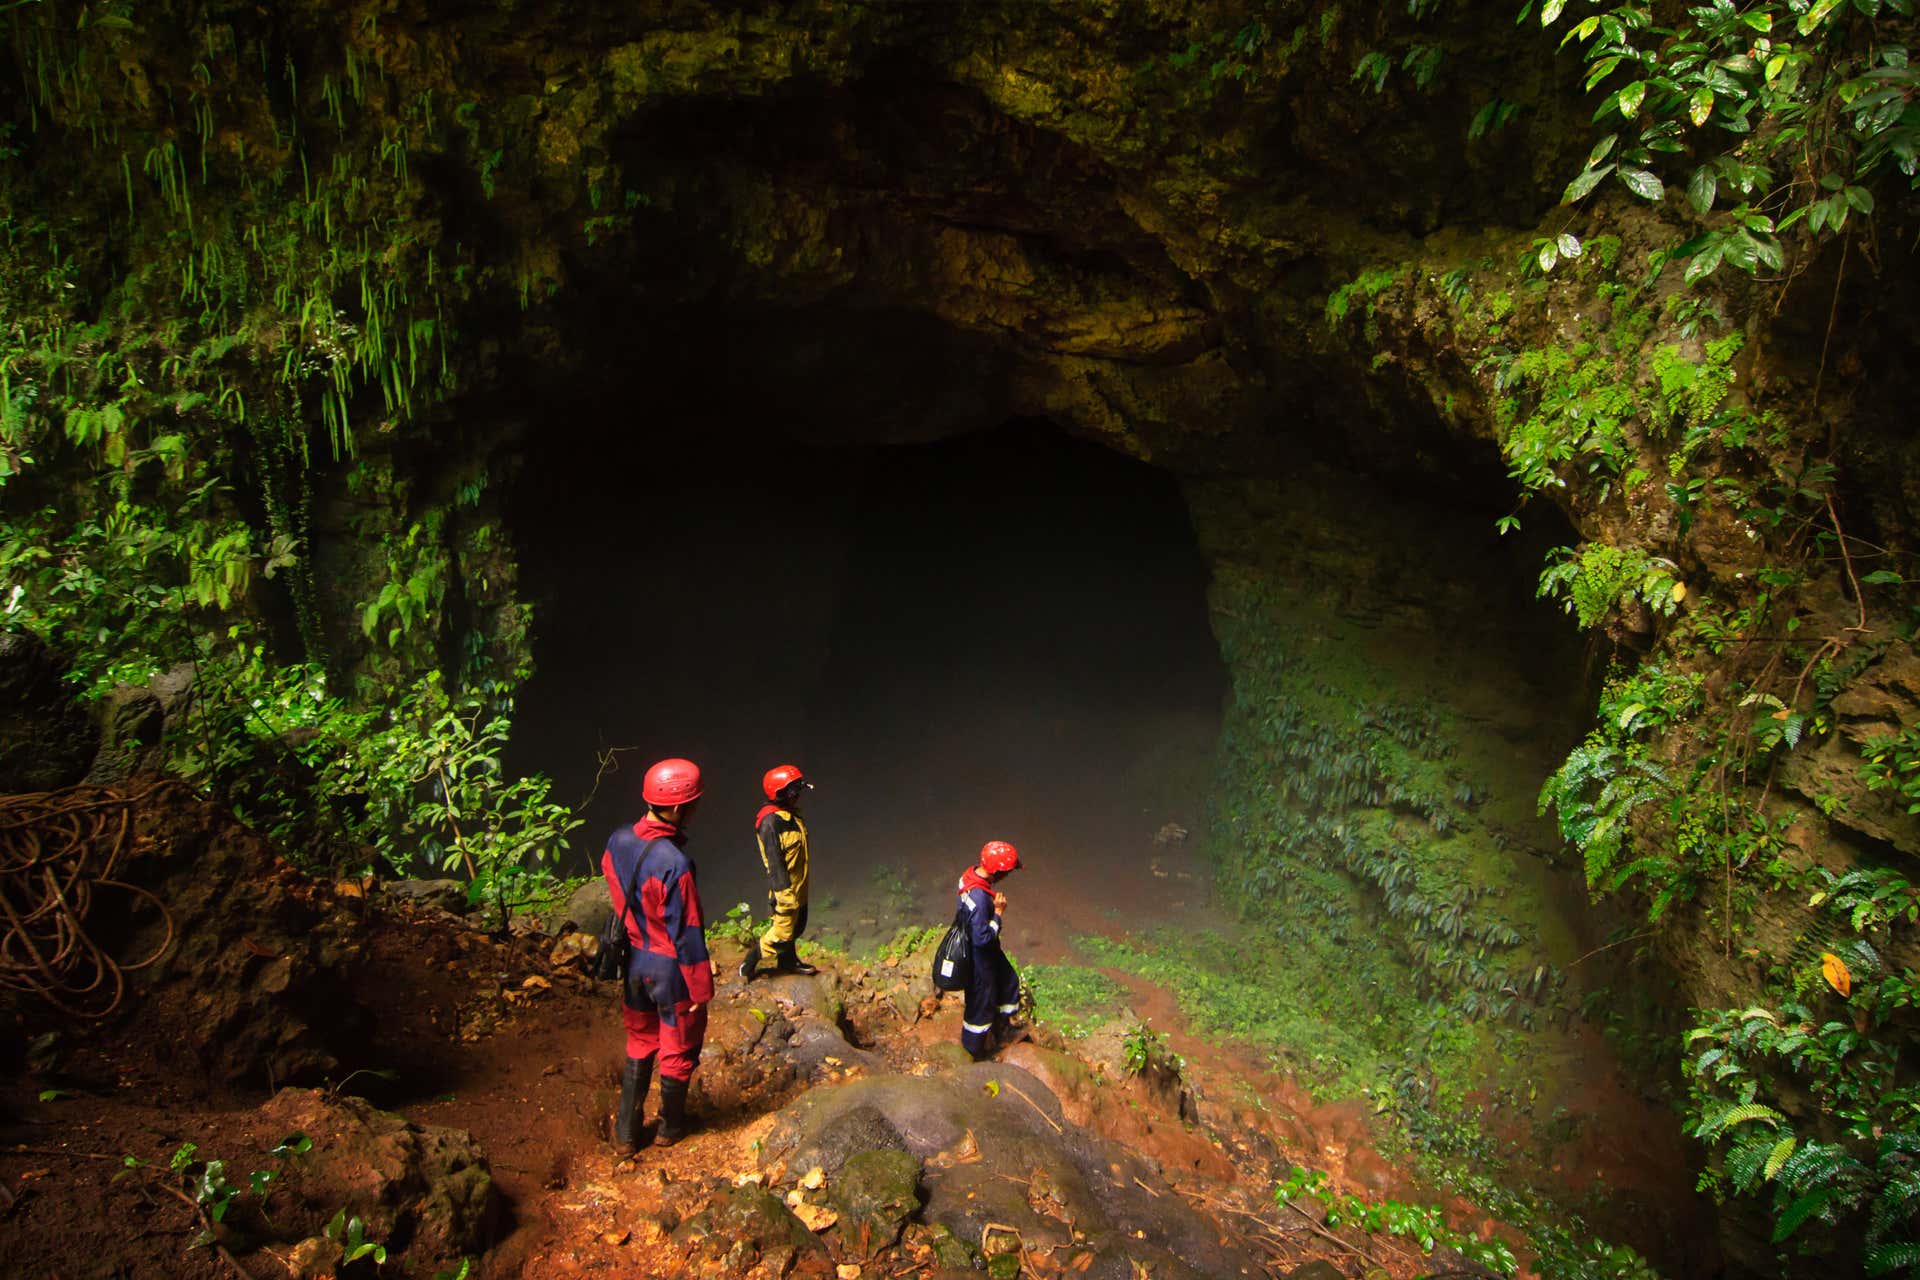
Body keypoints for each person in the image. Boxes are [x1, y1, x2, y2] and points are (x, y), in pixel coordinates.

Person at [605, 757, 713, 1151]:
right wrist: (700, 992)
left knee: (639, 1041)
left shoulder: (618, 840)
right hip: (668, 970)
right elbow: (687, 933)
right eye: (694, 805)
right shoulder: (675, 863)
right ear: (681, 808)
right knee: (677, 1044)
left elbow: (617, 890)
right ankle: (670, 1127)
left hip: (634, 960)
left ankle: (626, 1134)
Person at [740, 763, 815, 980]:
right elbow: (775, 864)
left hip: (799, 883)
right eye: (792, 792)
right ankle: (751, 960)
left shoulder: (791, 816)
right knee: (782, 932)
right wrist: (784, 895)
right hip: (785, 888)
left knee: (797, 926)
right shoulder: (770, 822)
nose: (797, 797)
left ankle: (788, 961)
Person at [956, 839, 1023, 1060]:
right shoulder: (980, 899)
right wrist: (998, 914)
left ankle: (1002, 1026)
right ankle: (973, 1052)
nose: (1008, 876)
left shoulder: (969, 876)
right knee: (980, 1004)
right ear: (999, 872)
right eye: (1007, 872)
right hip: (979, 957)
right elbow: (982, 939)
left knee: (1009, 980)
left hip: (985, 951)